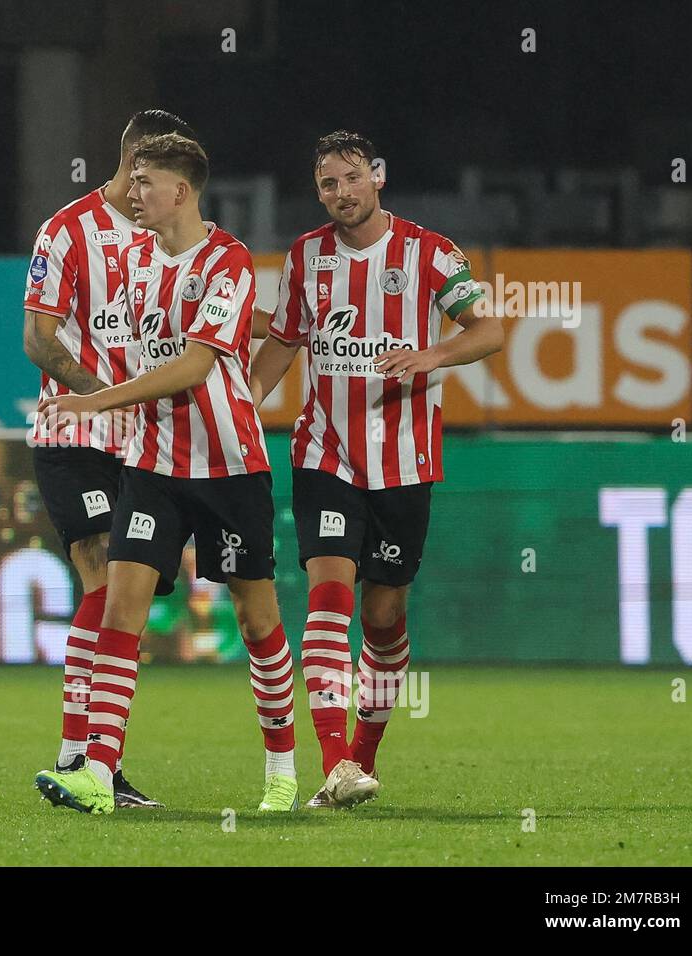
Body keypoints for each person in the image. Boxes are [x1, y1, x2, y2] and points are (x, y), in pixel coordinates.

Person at [34, 133, 299, 815]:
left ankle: (281, 770)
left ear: (181, 191)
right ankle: (97, 767)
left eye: (146, 182)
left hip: (229, 464)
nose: (133, 193)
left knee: (256, 618)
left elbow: (192, 366)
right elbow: (134, 355)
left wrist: (96, 401)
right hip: (153, 460)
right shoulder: (131, 263)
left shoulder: (229, 260)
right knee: (122, 609)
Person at [250, 130, 504, 807]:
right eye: (328, 183)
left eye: (351, 178)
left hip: (404, 462)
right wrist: (240, 407)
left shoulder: (430, 252)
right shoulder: (305, 256)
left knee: (385, 615)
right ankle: (334, 760)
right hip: (324, 453)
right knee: (327, 594)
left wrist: (433, 355)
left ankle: (362, 756)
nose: (340, 193)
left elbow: (490, 329)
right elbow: (282, 343)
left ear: (378, 178)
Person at [23, 108, 199, 809]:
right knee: (99, 583)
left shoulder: (177, 242)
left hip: (150, 446)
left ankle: (100, 764)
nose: (146, 187)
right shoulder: (66, 231)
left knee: (131, 604)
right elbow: (39, 341)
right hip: (75, 436)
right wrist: (105, 396)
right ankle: (79, 757)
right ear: (125, 160)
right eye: (141, 171)